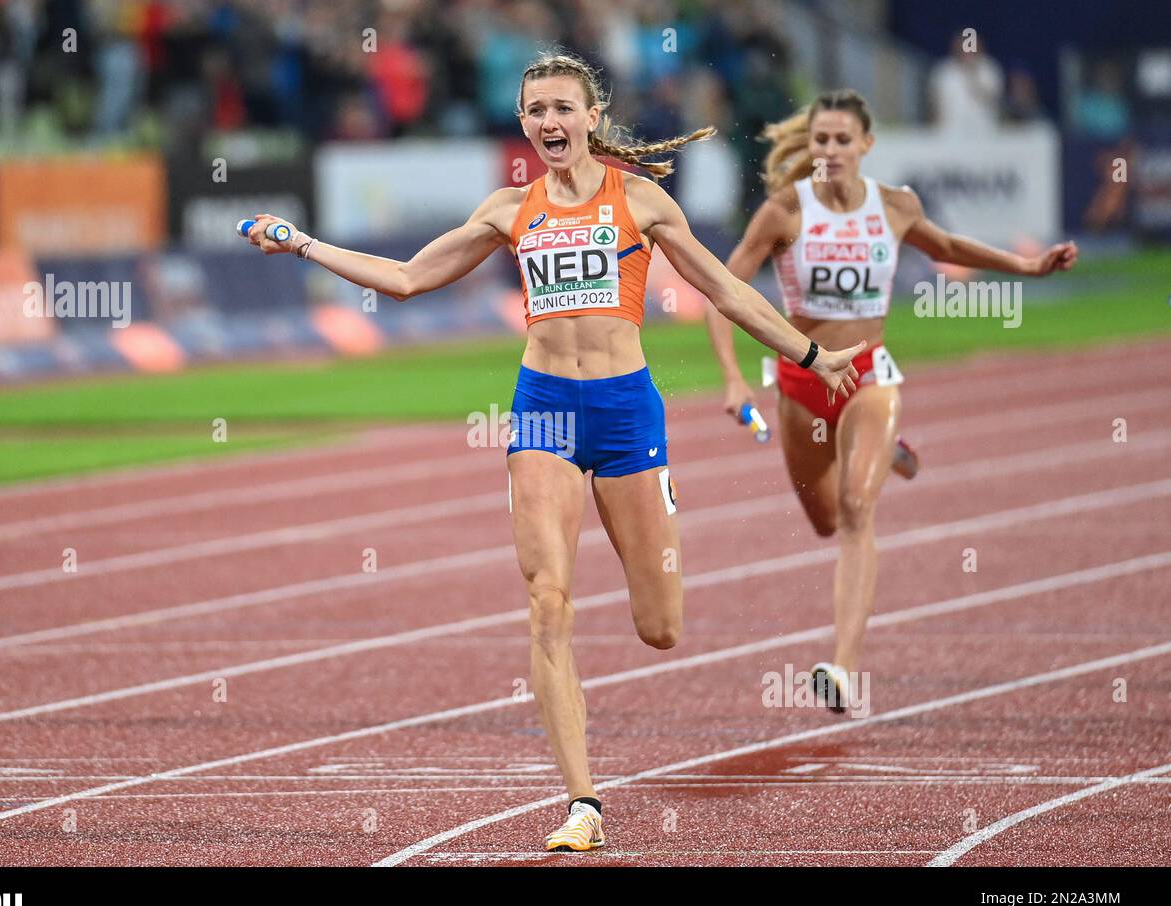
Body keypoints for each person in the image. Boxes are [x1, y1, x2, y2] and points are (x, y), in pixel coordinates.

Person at [243, 53, 864, 851]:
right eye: (535, 110)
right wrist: (303, 246)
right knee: (547, 602)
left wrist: (812, 356)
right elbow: (403, 279)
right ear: (524, 121)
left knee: (661, 625)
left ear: (592, 117)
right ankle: (584, 804)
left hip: (625, 411)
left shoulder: (640, 200)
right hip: (542, 413)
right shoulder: (510, 209)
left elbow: (728, 291)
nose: (549, 123)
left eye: (563, 108)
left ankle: (646, 595)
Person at [704, 89, 1078, 713]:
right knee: (824, 520)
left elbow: (948, 248)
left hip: (869, 378)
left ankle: (843, 668)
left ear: (866, 145)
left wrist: (1028, 266)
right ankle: (892, 454)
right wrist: (733, 379)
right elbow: (722, 290)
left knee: (855, 510)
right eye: (820, 139)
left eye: (842, 140)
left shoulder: (895, 207)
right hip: (799, 385)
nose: (830, 150)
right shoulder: (782, 213)